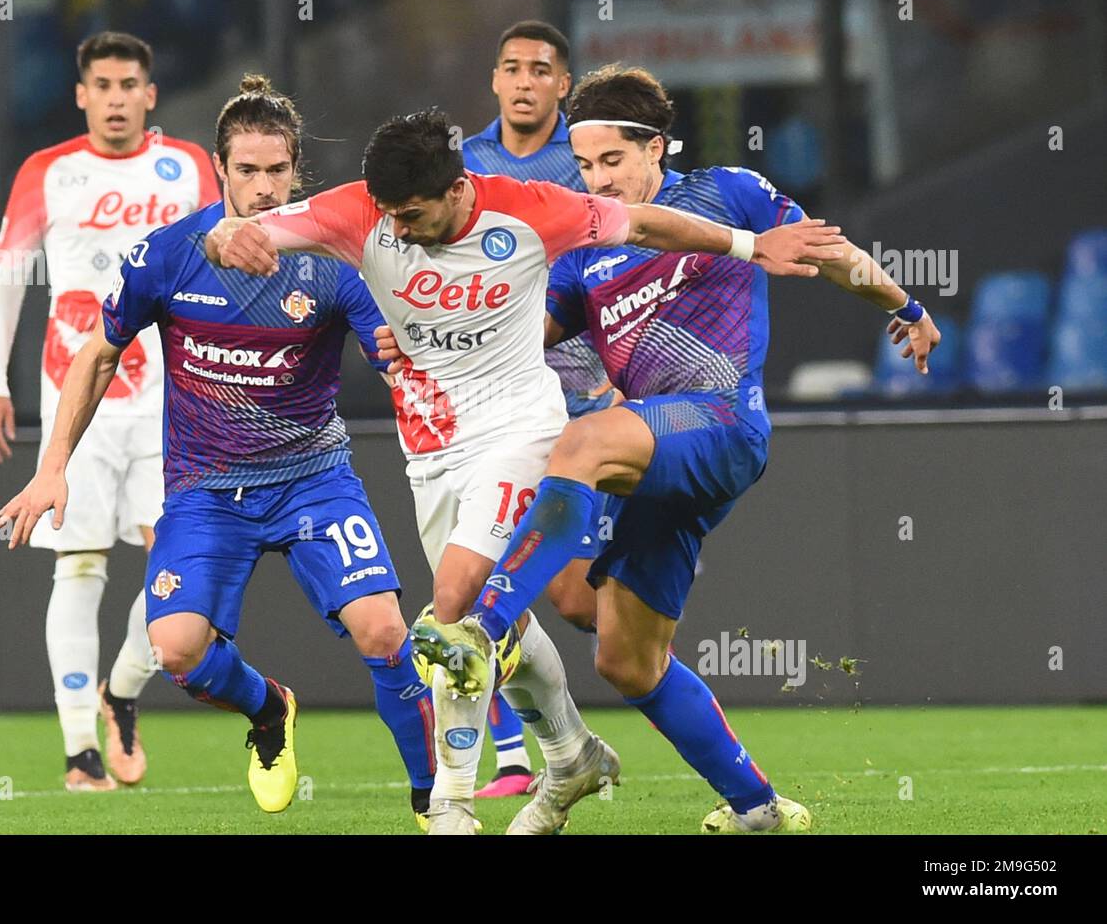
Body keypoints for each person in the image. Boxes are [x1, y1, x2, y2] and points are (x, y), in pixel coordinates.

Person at [203, 107, 843, 833]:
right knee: (515, 619)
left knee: (453, 609)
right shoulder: (358, 212)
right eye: (389, 216)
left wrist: (752, 243)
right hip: (431, 451)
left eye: (412, 215)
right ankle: (571, 754)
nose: (399, 231)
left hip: (520, 430)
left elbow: (651, 224)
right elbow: (239, 230)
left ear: (454, 189)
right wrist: (231, 238)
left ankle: (449, 804)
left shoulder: (534, 209)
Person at [381, 65, 940, 833]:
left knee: (581, 442)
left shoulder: (727, 194)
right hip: (652, 455)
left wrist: (905, 305)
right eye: (584, 166)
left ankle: (485, 628)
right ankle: (758, 808)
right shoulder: (582, 252)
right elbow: (513, 338)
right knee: (617, 650)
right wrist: (426, 338)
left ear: (657, 147)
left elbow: (829, 250)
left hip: (721, 425)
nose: (598, 180)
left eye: (613, 161)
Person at [0, 75, 439, 824]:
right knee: (176, 650)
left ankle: (436, 802)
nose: (265, 188)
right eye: (248, 171)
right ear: (219, 167)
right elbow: (98, 356)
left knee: (387, 633)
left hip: (313, 482)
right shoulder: (168, 255)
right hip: (206, 489)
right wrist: (50, 468)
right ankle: (269, 711)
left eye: (278, 170)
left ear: (297, 169)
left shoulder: (336, 261)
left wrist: (411, 354)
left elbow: (398, 364)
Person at [0, 32, 218, 791]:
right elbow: (9, 274)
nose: (116, 97)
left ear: (151, 94)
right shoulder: (48, 171)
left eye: (130, 84)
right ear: (81, 94)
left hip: (169, 398)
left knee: (175, 565)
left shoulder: (187, 167)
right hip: (74, 399)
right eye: (103, 84)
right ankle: (81, 748)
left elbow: (223, 257)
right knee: (77, 569)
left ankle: (123, 691)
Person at [461, 19, 615, 798]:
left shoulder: (586, 161)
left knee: (578, 601)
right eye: (511, 67)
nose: (524, 81)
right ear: (495, 79)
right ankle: (517, 757)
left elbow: (624, 250)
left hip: (584, 394)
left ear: (564, 84)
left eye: (540, 70)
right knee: (480, 569)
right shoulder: (462, 166)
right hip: (487, 396)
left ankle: (638, 641)